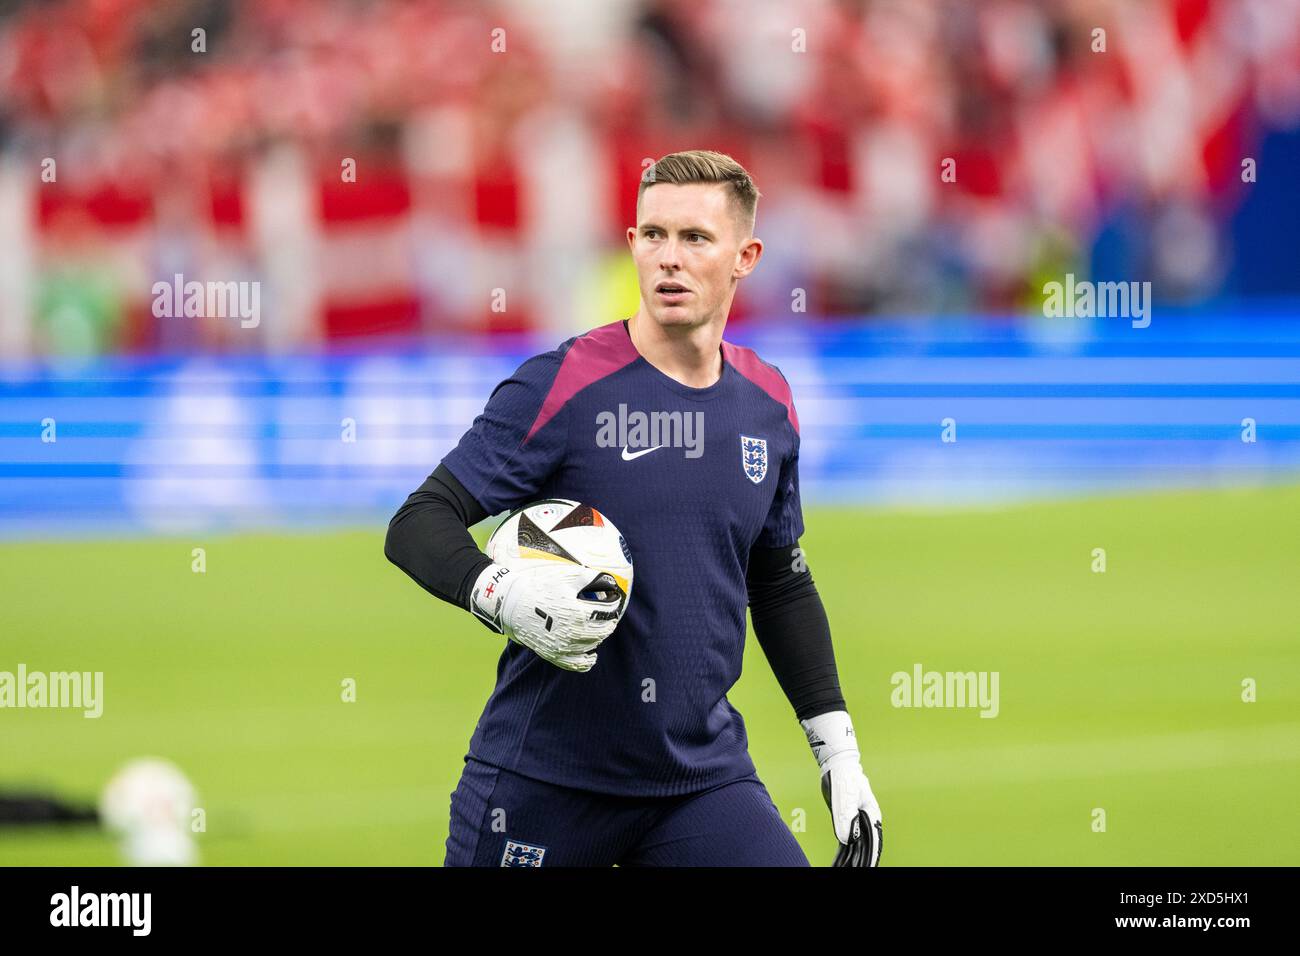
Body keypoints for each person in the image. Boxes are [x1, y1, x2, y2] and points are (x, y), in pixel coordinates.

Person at [385, 149, 882, 866]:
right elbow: (419, 520)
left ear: (745, 256)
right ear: (631, 245)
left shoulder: (768, 402)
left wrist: (839, 755)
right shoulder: (563, 385)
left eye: (695, 239)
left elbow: (778, 580)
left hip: (699, 784)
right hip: (543, 784)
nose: (669, 259)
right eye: (653, 235)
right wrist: (499, 594)